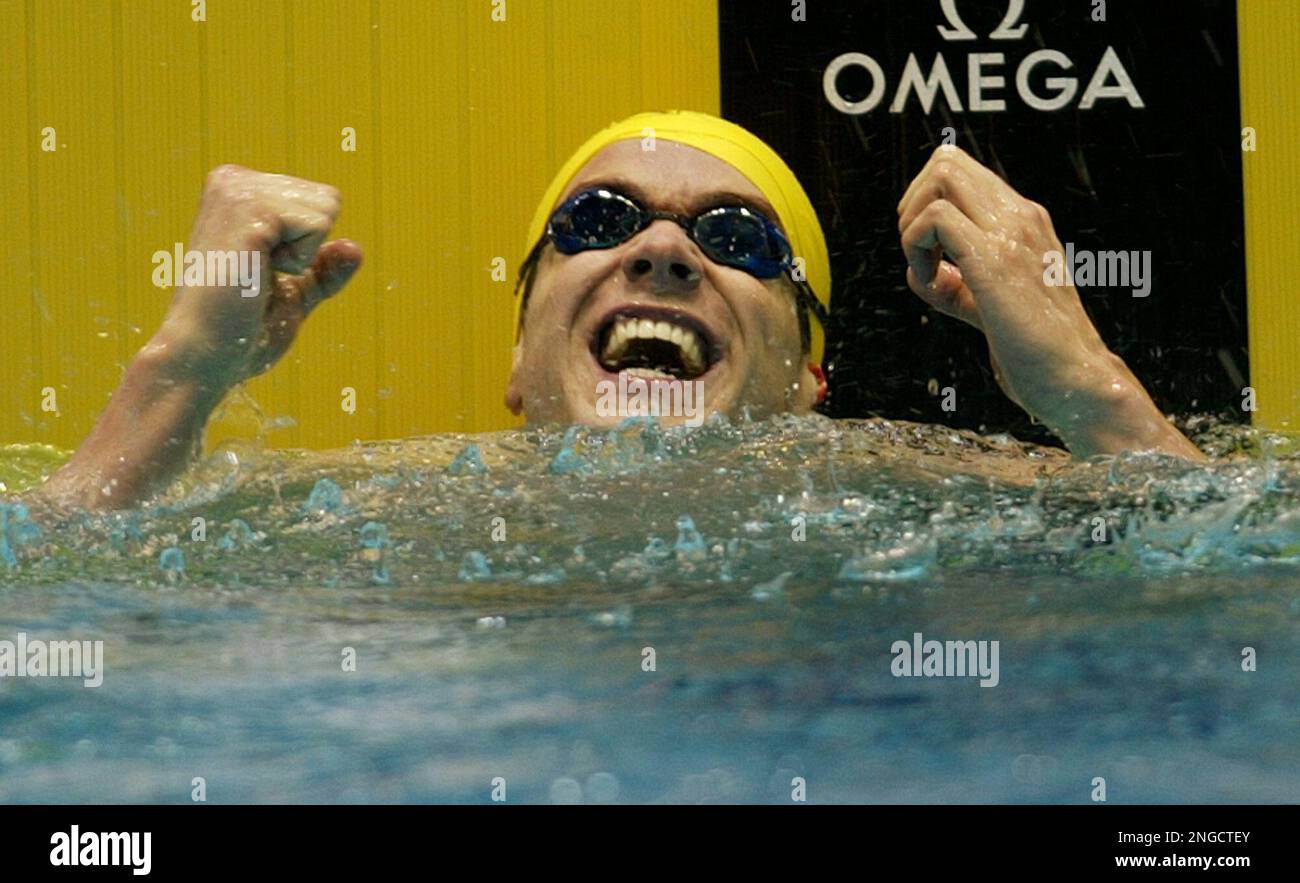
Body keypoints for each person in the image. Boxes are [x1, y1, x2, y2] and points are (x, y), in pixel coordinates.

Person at [30, 110, 1204, 513]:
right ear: (519, 348)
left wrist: (1082, 384)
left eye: (737, 240)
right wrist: (179, 373)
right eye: (595, 221)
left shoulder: (914, 488)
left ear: (807, 376)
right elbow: (40, 584)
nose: (657, 247)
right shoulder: (385, 499)